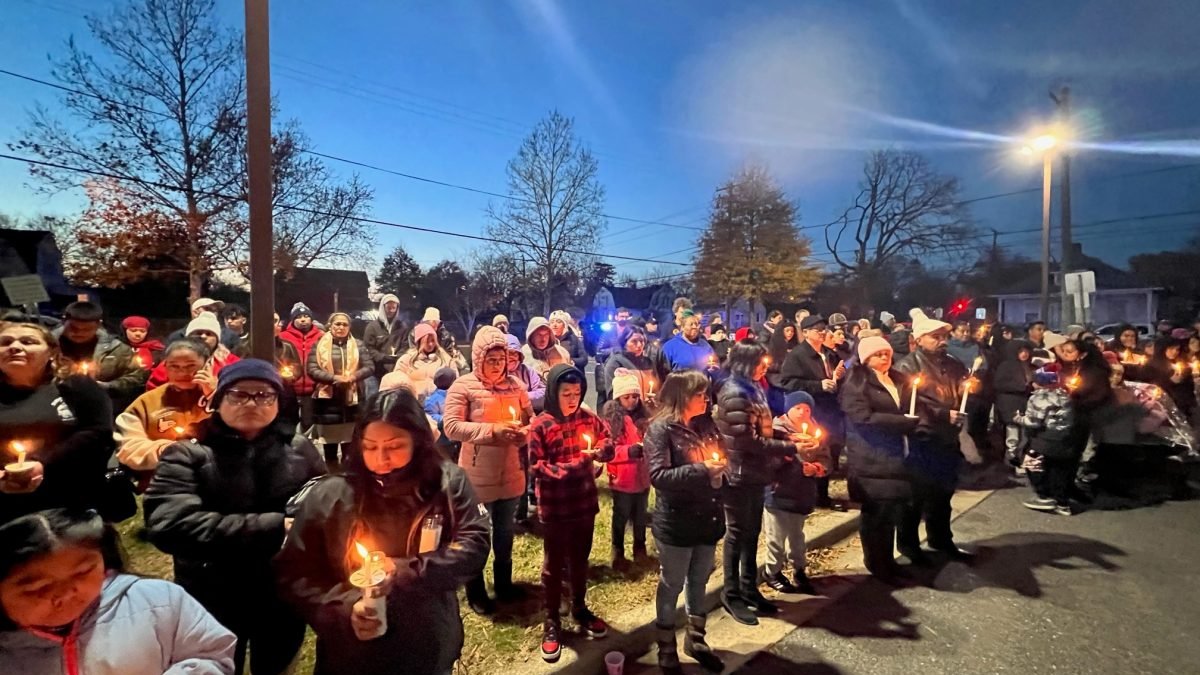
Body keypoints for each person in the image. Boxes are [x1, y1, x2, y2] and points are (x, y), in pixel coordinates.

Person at [275, 390, 490, 675]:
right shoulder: (333, 495)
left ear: (418, 441)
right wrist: (346, 608)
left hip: (427, 640)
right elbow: (296, 574)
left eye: (394, 445)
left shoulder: (446, 483)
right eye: (370, 446)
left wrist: (405, 571)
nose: (381, 458)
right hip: (352, 653)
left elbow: (472, 545)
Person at [144, 359, 325, 675]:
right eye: (239, 394)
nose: (252, 403)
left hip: (280, 596)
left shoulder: (298, 448)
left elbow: (321, 500)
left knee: (279, 665)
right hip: (212, 595)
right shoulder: (189, 453)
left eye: (264, 395)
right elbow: (169, 525)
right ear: (218, 400)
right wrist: (274, 527)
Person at [0, 509, 236, 674]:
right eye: (39, 587)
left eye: (83, 572)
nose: (67, 592)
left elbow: (211, 655)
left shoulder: (157, 602)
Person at [443, 326, 534, 615]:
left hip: (510, 471)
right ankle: (476, 590)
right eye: (491, 360)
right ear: (479, 358)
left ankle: (504, 584)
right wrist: (492, 430)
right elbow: (452, 427)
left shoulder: (516, 386)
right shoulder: (464, 386)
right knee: (476, 535)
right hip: (477, 475)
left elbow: (531, 419)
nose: (498, 365)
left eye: (502, 359)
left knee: (505, 533)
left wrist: (525, 433)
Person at [528, 365, 613, 661]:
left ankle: (579, 607)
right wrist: (574, 467)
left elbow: (606, 437)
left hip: (584, 503)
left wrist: (604, 450)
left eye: (577, 393)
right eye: (566, 393)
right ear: (553, 393)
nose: (572, 399)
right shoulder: (541, 425)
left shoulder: (588, 418)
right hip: (555, 506)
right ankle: (552, 619)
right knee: (553, 566)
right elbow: (536, 465)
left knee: (580, 560)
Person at [714, 340, 801, 626]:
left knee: (752, 533)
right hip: (739, 474)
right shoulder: (735, 392)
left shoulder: (752, 388)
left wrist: (786, 435)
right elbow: (746, 440)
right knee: (737, 534)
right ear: (745, 363)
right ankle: (731, 593)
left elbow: (760, 426)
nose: (766, 367)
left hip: (754, 472)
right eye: (760, 363)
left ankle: (749, 587)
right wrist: (788, 448)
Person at [645, 370, 725, 675]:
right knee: (673, 583)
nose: (706, 399)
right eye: (699, 394)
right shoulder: (661, 430)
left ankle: (696, 639)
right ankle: (666, 645)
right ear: (682, 397)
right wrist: (703, 471)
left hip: (707, 517)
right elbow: (659, 477)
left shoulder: (707, 424)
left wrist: (721, 471)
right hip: (676, 521)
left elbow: (721, 455)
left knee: (700, 579)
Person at [0, 321, 114, 524]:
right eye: (5, 342)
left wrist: (43, 464)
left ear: (52, 352)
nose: (15, 347)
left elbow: (98, 432)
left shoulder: (75, 385)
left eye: (28, 341)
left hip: (71, 499)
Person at [895, 309, 973, 564]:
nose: (942, 341)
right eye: (935, 337)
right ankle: (908, 545)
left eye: (944, 336)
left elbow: (961, 392)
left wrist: (966, 395)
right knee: (915, 495)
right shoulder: (907, 366)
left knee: (943, 493)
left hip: (947, 439)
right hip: (921, 438)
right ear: (919, 339)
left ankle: (941, 539)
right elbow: (906, 404)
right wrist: (942, 413)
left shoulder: (952, 363)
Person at [841, 334, 921, 583]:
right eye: (878, 354)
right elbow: (863, 419)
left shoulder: (897, 379)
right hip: (871, 456)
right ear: (865, 359)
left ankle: (887, 560)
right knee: (876, 513)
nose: (885, 358)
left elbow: (913, 405)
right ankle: (877, 563)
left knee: (890, 513)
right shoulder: (856, 383)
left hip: (896, 454)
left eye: (886, 353)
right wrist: (903, 423)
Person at [115, 340, 214, 488]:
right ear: (165, 366)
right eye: (174, 366)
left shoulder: (228, 397)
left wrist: (214, 396)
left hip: (214, 478)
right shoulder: (146, 402)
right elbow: (127, 447)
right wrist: (168, 450)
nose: (182, 373)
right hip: (163, 481)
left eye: (190, 366)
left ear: (207, 365)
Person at [762, 390, 828, 595]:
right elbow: (768, 462)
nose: (802, 413)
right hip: (778, 492)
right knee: (776, 537)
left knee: (797, 536)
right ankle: (772, 571)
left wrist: (816, 468)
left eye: (807, 409)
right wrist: (790, 453)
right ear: (788, 409)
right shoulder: (775, 431)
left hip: (801, 493)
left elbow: (826, 459)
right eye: (797, 408)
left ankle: (799, 569)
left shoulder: (815, 433)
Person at [779, 315, 847, 509]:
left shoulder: (829, 353)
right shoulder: (797, 355)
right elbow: (788, 382)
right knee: (814, 450)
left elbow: (836, 378)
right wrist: (818, 385)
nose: (822, 332)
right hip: (812, 409)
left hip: (832, 409)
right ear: (806, 332)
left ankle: (823, 494)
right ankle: (816, 496)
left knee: (830, 451)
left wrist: (839, 377)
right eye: (817, 330)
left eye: (824, 329)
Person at [308, 313, 375, 466]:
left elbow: (369, 366)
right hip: (327, 403)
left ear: (349, 327)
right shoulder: (319, 344)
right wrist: (334, 379)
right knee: (330, 449)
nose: (341, 327)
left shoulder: (358, 345)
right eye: (337, 324)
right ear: (330, 325)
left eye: (345, 325)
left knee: (349, 447)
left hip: (352, 401)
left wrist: (352, 377)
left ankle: (348, 481)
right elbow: (311, 369)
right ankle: (332, 478)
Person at [602, 369, 652, 570]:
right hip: (623, 477)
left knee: (641, 514)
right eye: (626, 397)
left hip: (642, 476)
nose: (631, 401)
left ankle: (640, 548)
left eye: (635, 396)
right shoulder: (613, 422)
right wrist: (627, 452)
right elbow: (607, 449)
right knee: (621, 514)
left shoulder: (643, 419)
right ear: (618, 398)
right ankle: (618, 549)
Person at [55, 301, 146, 412]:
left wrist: (107, 386)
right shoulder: (48, 346)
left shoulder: (116, 349)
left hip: (101, 408)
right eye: (74, 328)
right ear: (64, 322)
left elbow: (135, 377)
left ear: (98, 325)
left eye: (87, 329)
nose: (80, 333)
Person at [1017, 365, 1078, 515]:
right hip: (1065, 440)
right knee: (1059, 470)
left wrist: (1019, 418)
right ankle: (1062, 503)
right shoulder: (1066, 395)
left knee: (1032, 464)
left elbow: (1034, 422)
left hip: (1044, 440)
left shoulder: (1038, 397)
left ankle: (1043, 497)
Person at [146, 312, 240, 390]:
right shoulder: (173, 361)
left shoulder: (232, 363)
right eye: (198, 333)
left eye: (209, 334)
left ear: (217, 339)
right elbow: (153, 389)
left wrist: (216, 388)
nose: (203, 336)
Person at [280, 302, 325, 431]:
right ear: (293, 320)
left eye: (306, 316)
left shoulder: (321, 337)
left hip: (312, 388)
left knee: (308, 422)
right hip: (289, 388)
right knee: (289, 422)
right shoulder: (284, 337)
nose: (303, 319)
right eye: (299, 317)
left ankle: (306, 448)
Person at [394, 323, 465, 399]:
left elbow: (456, 383)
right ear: (419, 341)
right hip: (414, 402)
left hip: (439, 403)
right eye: (427, 341)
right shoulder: (406, 360)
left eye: (433, 340)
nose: (430, 344)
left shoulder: (446, 360)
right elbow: (397, 382)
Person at [993, 341, 1035, 469]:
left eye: (1026, 351)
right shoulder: (1006, 366)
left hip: (1024, 405)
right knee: (1013, 436)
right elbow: (999, 384)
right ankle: (1010, 460)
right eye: (1021, 351)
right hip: (1010, 405)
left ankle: (1019, 459)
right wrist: (1022, 387)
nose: (1024, 354)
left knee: (1024, 436)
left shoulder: (1029, 366)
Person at [603, 325, 657, 402]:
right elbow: (612, 394)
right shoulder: (616, 363)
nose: (639, 345)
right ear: (624, 343)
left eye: (641, 341)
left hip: (647, 411)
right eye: (634, 341)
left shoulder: (648, 363)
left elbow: (655, 388)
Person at [362, 294, 409, 380]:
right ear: (383, 308)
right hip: (376, 370)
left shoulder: (402, 327)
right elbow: (369, 348)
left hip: (396, 369)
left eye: (393, 308)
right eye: (388, 307)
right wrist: (382, 357)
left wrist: (397, 357)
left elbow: (405, 345)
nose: (391, 310)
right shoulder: (372, 327)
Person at [166, 298, 241, 351]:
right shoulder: (177, 336)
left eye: (215, 310)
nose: (213, 312)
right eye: (208, 308)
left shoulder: (230, 336)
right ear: (195, 312)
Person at [658, 310, 717, 376]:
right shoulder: (670, 348)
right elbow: (662, 373)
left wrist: (714, 370)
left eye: (697, 324)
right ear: (682, 327)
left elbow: (715, 366)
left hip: (702, 385)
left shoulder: (705, 346)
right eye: (691, 324)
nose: (694, 327)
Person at [523, 317, 572, 381]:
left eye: (546, 335)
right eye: (539, 335)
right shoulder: (523, 355)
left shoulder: (562, 353)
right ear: (531, 335)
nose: (543, 339)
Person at [505, 334, 546, 411]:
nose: (511, 357)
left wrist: (523, 397)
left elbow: (543, 393)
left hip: (528, 413)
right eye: (508, 353)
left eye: (515, 353)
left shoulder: (527, 371)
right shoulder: (496, 373)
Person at [765, 320, 797, 389]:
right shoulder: (773, 346)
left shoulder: (795, 346)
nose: (790, 333)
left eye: (792, 331)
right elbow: (771, 366)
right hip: (776, 379)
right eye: (787, 331)